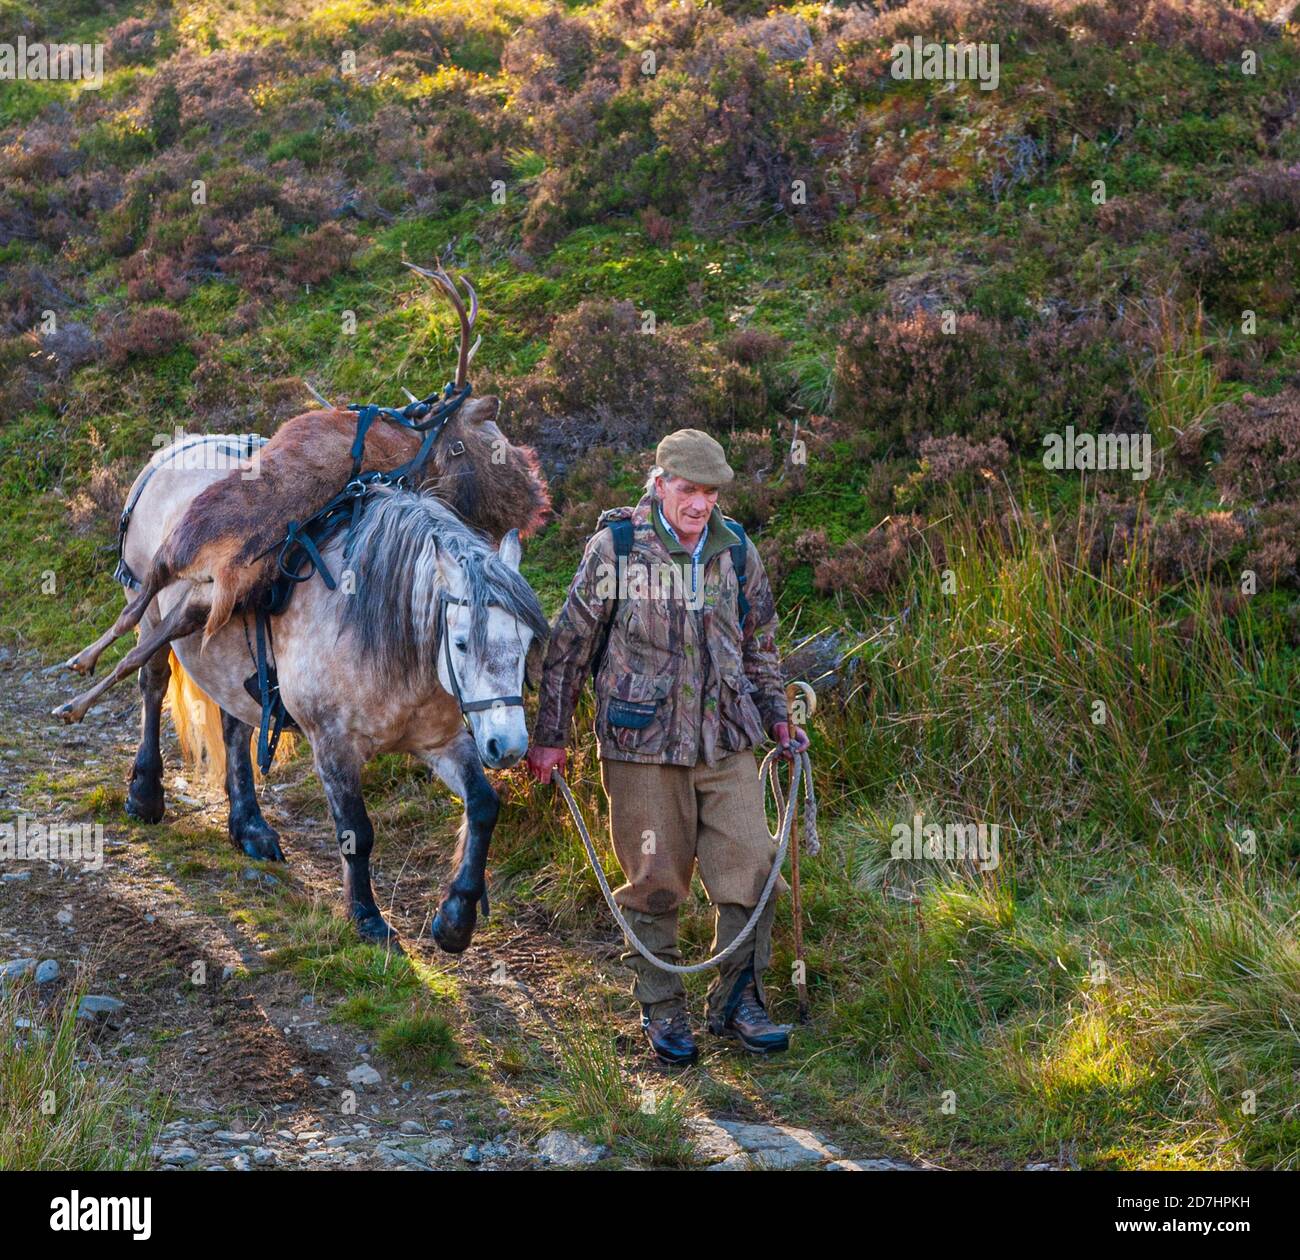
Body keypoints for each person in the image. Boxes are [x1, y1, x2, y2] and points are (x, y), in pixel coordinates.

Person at [527, 428, 809, 1065]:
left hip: (728, 739)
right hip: (640, 745)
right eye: (687, 490)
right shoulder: (617, 550)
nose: (699, 504)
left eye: (709, 493)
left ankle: (738, 1002)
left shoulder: (737, 553)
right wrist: (549, 738)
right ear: (659, 485)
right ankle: (663, 1011)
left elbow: (760, 643)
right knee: (655, 881)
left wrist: (779, 718)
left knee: (753, 866)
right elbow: (568, 650)